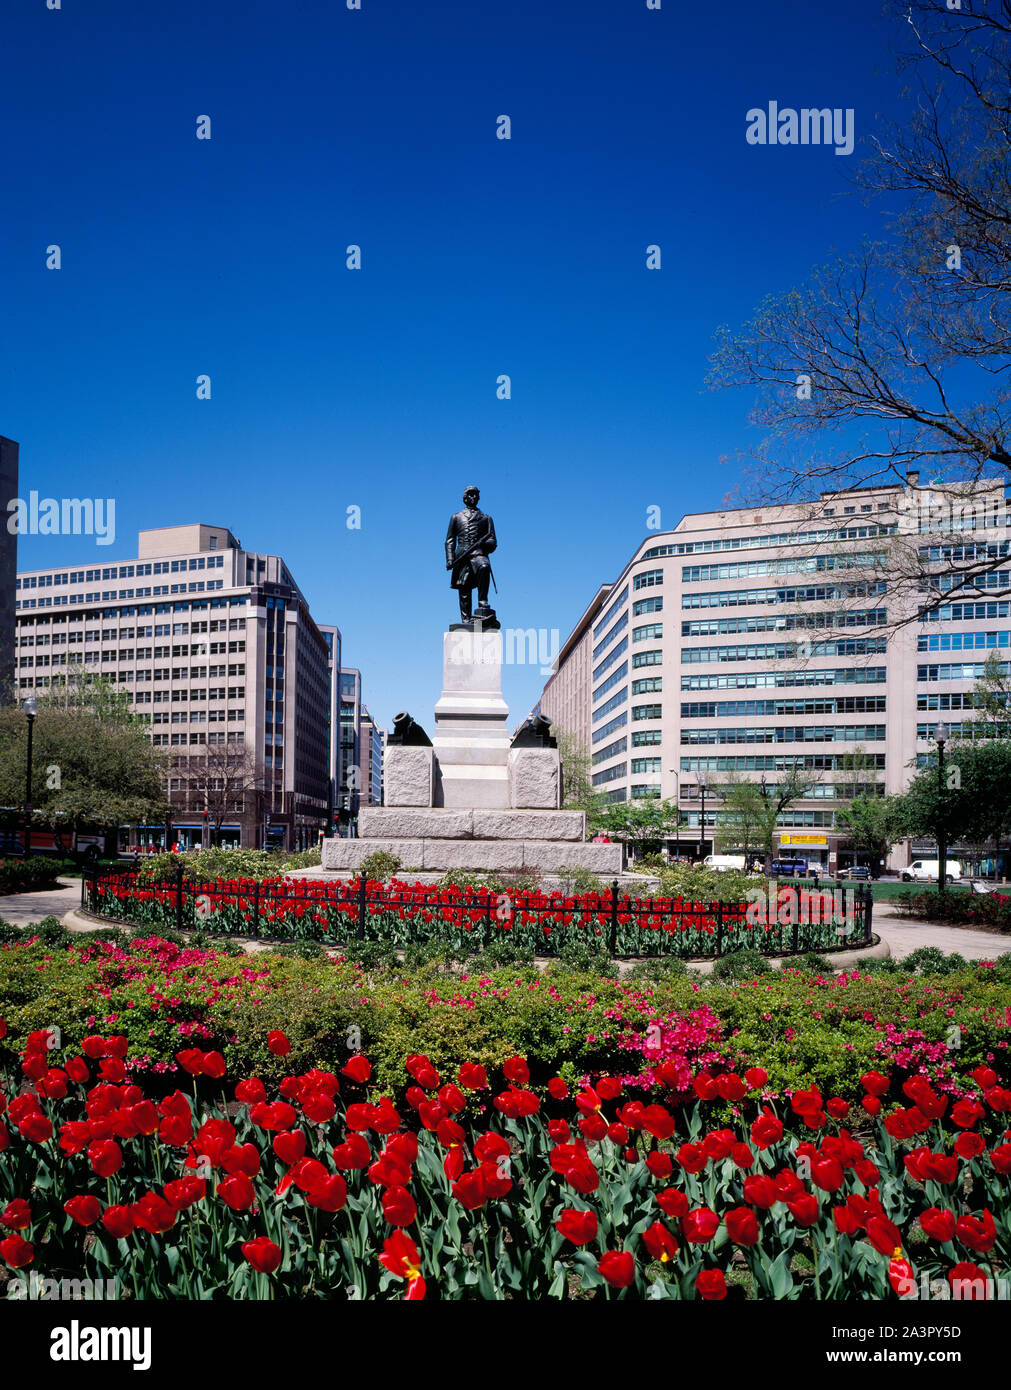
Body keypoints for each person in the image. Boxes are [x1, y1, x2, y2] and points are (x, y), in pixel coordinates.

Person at [445, 484, 498, 627]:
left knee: (484, 566)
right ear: (465, 498)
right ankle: (466, 619)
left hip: (478, 554)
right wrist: (450, 559)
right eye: (470, 494)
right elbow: (450, 540)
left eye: (475, 494)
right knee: (464, 587)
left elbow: (493, 541)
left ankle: (482, 602)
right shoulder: (456, 517)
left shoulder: (486, 518)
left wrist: (483, 544)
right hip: (461, 555)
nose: (473, 497)